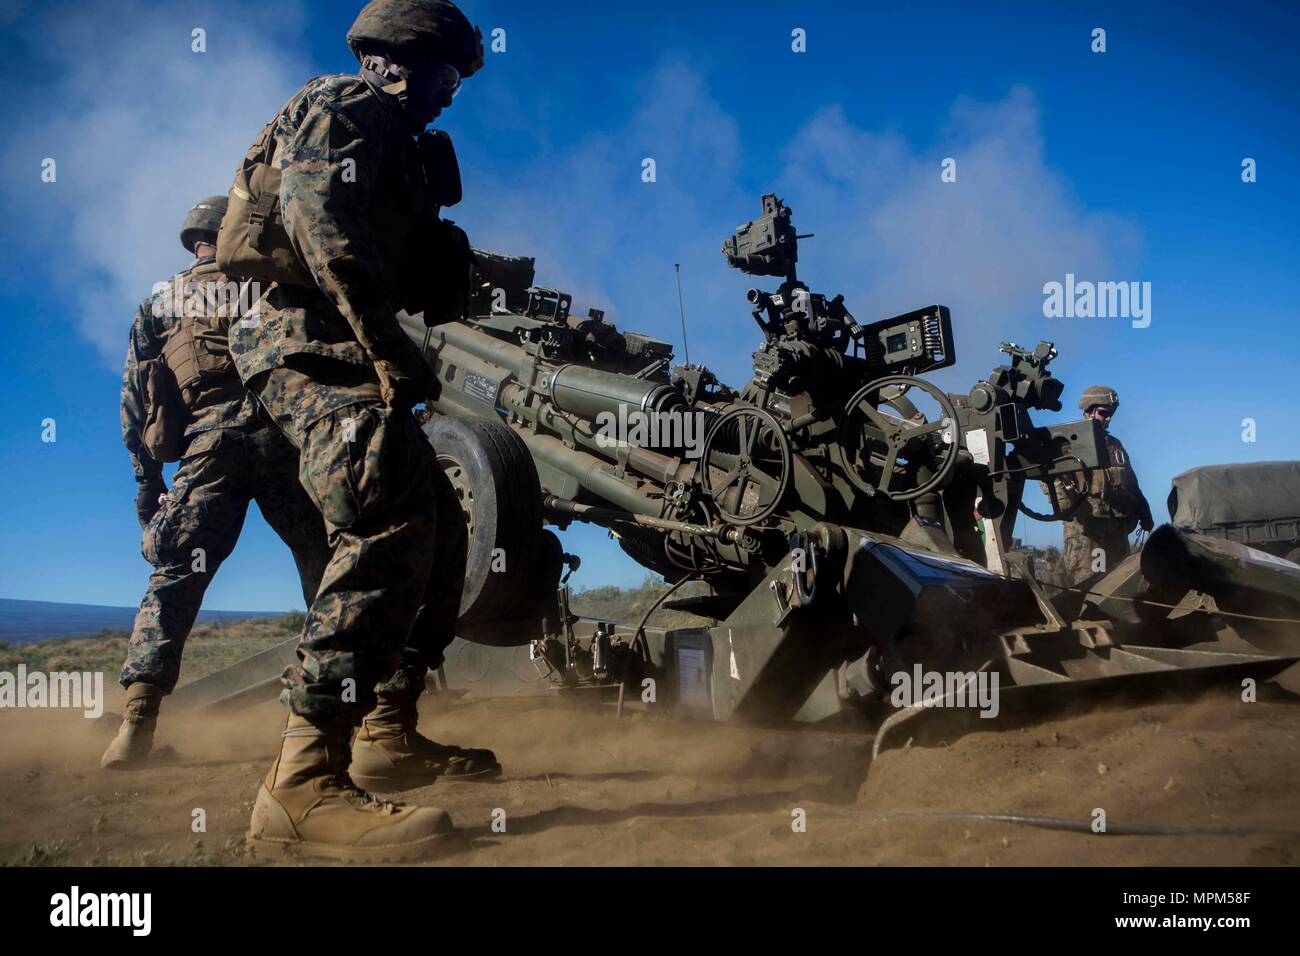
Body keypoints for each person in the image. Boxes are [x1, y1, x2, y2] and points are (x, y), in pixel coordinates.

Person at [225, 0, 496, 862]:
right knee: (389, 507)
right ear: (402, 61)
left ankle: (385, 728)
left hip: (345, 341)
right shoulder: (349, 105)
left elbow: (394, 255)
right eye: (449, 77)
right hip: (304, 339)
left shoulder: (403, 146)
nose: (451, 97)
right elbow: (321, 226)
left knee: (443, 529)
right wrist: (388, 349)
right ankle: (301, 783)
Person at [105, 195, 330, 770]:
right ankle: (341, 717)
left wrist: (146, 483)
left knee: (176, 576)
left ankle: (135, 727)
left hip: (209, 450)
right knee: (329, 565)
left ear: (191, 240)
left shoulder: (159, 303)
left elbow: (135, 406)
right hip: (283, 440)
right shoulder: (266, 284)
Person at [1044, 385, 1154, 583]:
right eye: (1104, 413)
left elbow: (1131, 483)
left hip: (1116, 527)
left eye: (1111, 413)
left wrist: (1144, 512)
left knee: (1119, 582)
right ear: (1088, 411)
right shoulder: (1068, 443)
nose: (1109, 418)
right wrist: (1062, 503)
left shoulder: (1115, 445)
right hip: (1087, 529)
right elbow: (1048, 476)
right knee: (1091, 585)